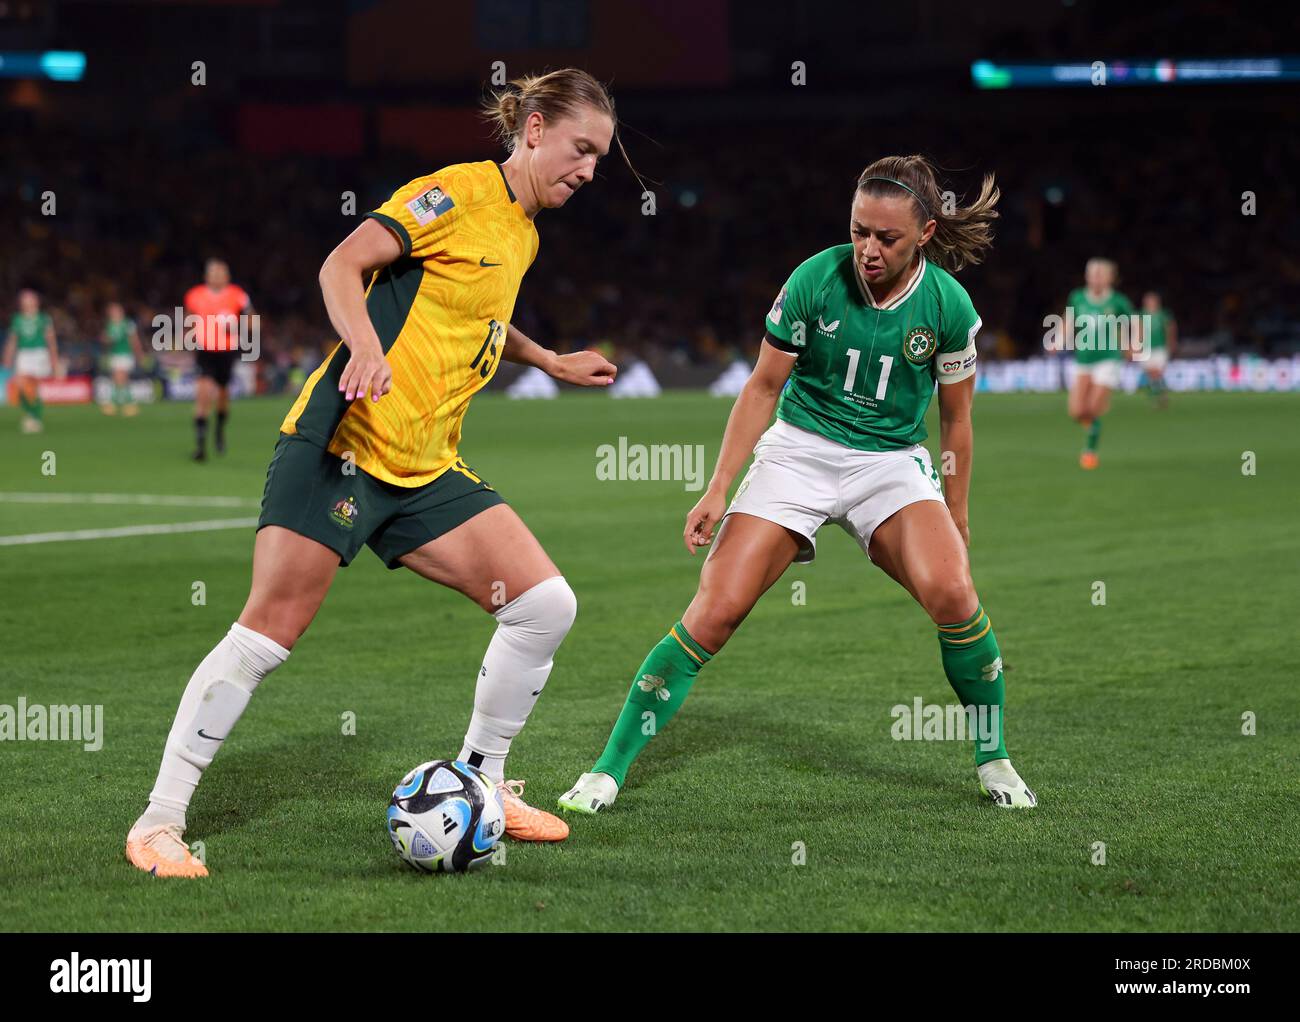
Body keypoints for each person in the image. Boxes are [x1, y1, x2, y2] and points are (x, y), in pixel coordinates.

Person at [126, 68, 621, 877]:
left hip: (426, 467)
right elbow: (340, 265)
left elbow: (480, 312)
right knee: (266, 635)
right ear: (534, 129)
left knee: (543, 606)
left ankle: (485, 785)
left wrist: (547, 357)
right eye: (582, 148)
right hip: (346, 447)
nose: (591, 170)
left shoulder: (524, 230)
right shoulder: (451, 193)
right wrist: (362, 345)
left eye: (599, 157)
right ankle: (158, 820)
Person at [561, 155, 1038, 816]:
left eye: (887, 237)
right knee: (715, 610)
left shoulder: (949, 307)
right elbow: (762, 387)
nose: (868, 249)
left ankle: (994, 758)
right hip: (800, 452)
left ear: (925, 234)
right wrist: (718, 486)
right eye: (859, 230)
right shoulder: (815, 280)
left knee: (954, 592)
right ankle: (605, 773)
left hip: (892, 463)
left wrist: (956, 512)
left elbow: (956, 419)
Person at [1066, 259, 1136, 469]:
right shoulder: (1077, 297)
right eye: (1092, 273)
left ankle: (1089, 451)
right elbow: (1069, 319)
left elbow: (1134, 322)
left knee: (1093, 407)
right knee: (1077, 411)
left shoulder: (1118, 301)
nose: (1095, 277)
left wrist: (1132, 344)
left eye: (1099, 274)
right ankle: (1093, 427)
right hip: (1084, 358)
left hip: (1109, 359)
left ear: (1109, 278)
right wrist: (1059, 337)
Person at [184, 259, 252, 460]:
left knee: (222, 394)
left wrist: (237, 326)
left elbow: (251, 320)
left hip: (227, 351)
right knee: (203, 393)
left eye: (220, 272)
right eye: (213, 272)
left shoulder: (238, 295)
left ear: (227, 276)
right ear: (207, 276)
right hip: (204, 350)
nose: (216, 276)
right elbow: (188, 320)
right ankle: (200, 446)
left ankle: (219, 430)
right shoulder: (194, 295)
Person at [3, 289, 60, 434]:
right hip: (24, 354)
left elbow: (51, 339)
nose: (26, 302)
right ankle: (33, 415)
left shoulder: (43, 318)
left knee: (32, 386)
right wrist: (8, 356)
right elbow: (13, 340)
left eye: (29, 299)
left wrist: (54, 359)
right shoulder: (17, 319)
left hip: (39, 353)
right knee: (21, 384)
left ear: (36, 301)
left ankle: (34, 417)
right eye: (24, 299)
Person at [100, 301, 145, 416]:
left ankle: (119, 403)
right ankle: (125, 404)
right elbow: (106, 339)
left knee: (121, 377)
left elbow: (134, 340)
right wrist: (106, 339)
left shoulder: (127, 324)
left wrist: (139, 353)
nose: (113, 313)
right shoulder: (110, 324)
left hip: (125, 354)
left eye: (115, 311)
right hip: (115, 354)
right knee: (118, 379)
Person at [1139, 291, 1176, 409]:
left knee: (1157, 372)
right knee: (1151, 373)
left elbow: (1170, 329)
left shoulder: (1164, 314)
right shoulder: (1141, 314)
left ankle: (1159, 395)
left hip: (1160, 348)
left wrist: (1171, 343)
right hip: (1146, 348)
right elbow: (1138, 331)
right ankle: (1160, 395)